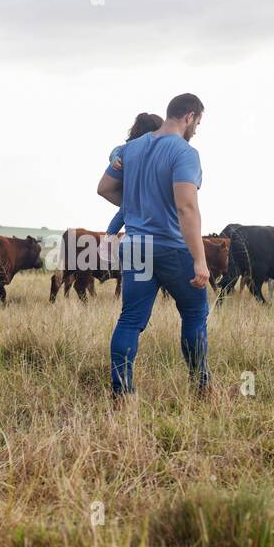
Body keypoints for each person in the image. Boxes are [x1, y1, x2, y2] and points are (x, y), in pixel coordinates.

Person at [99, 93, 210, 395]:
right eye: (197, 123)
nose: (196, 129)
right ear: (189, 116)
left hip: (134, 245)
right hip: (171, 247)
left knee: (131, 319)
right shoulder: (185, 153)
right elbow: (187, 208)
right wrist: (200, 260)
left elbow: (105, 188)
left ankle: (122, 393)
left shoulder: (131, 149)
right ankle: (201, 386)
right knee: (195, 313)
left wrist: (137, 208)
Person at [99, 112, 163, 266]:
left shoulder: (131, 150)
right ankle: (108, 239)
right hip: (142, 197)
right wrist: (114, 158)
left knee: (123, 212)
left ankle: (108, 239)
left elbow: (117, 150)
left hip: (132, 198)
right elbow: (116, 150)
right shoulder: (136, 149)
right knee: (123, 211)